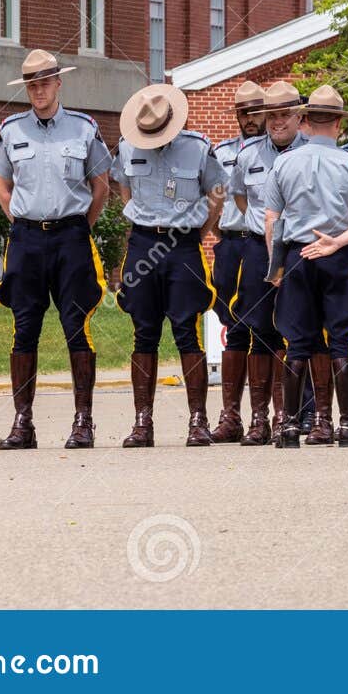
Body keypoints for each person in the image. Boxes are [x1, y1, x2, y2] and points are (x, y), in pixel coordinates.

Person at [0, 50, 111, 450]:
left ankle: (83, 422)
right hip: (26, 240)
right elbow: (2, 185)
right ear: (27, 89)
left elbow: (101, 186)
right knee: (24, 329)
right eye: (32, 85)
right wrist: (20, 222)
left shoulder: (84, 129)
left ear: (59, 83)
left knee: (77, 327)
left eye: (45, 83)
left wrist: (78, 228)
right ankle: (23, 423)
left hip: (71, 237)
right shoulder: (11, 129)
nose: (39, 91)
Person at [263, 85, 348, 448]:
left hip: (298, 257)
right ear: (337, 124)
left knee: (296, 342)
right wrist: (341, 240)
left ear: (304, 121)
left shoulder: (284, 163)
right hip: (336, 255)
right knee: (342, 341)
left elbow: (272, 220)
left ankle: (287, 427)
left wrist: (276, 267)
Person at [111, 83, 226, 447]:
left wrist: (196, 234)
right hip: (143, 243)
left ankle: (198, 420)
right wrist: (144, 227)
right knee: (143, 332)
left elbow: (217, 193)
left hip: (183, 247)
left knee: (186, 331)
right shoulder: (127, 146)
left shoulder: (197, 147)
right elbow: (124, 193)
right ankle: (142, 423)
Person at [226, 81, 309, 443]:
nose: (277, 122)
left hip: (299, 248)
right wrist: (264, 230)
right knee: (258, 329)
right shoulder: (248, 156)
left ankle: (290, 415)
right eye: (271, 116)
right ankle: (260, 419)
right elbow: (241, 198)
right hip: (259, 248)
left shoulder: (312, 153)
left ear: (298, 117)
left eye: (284, 115)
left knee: (297, 329)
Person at [208, 81, 267, 443]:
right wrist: (219, 231)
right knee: (234, 329)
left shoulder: (277, 151)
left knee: (266, 329)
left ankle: (265, 418)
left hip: (263, 246)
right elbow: (212, 198)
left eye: (255, 110)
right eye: (243, 111)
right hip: (231, 245)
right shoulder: (221, 152)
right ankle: (231, 416)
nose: (249, 118)